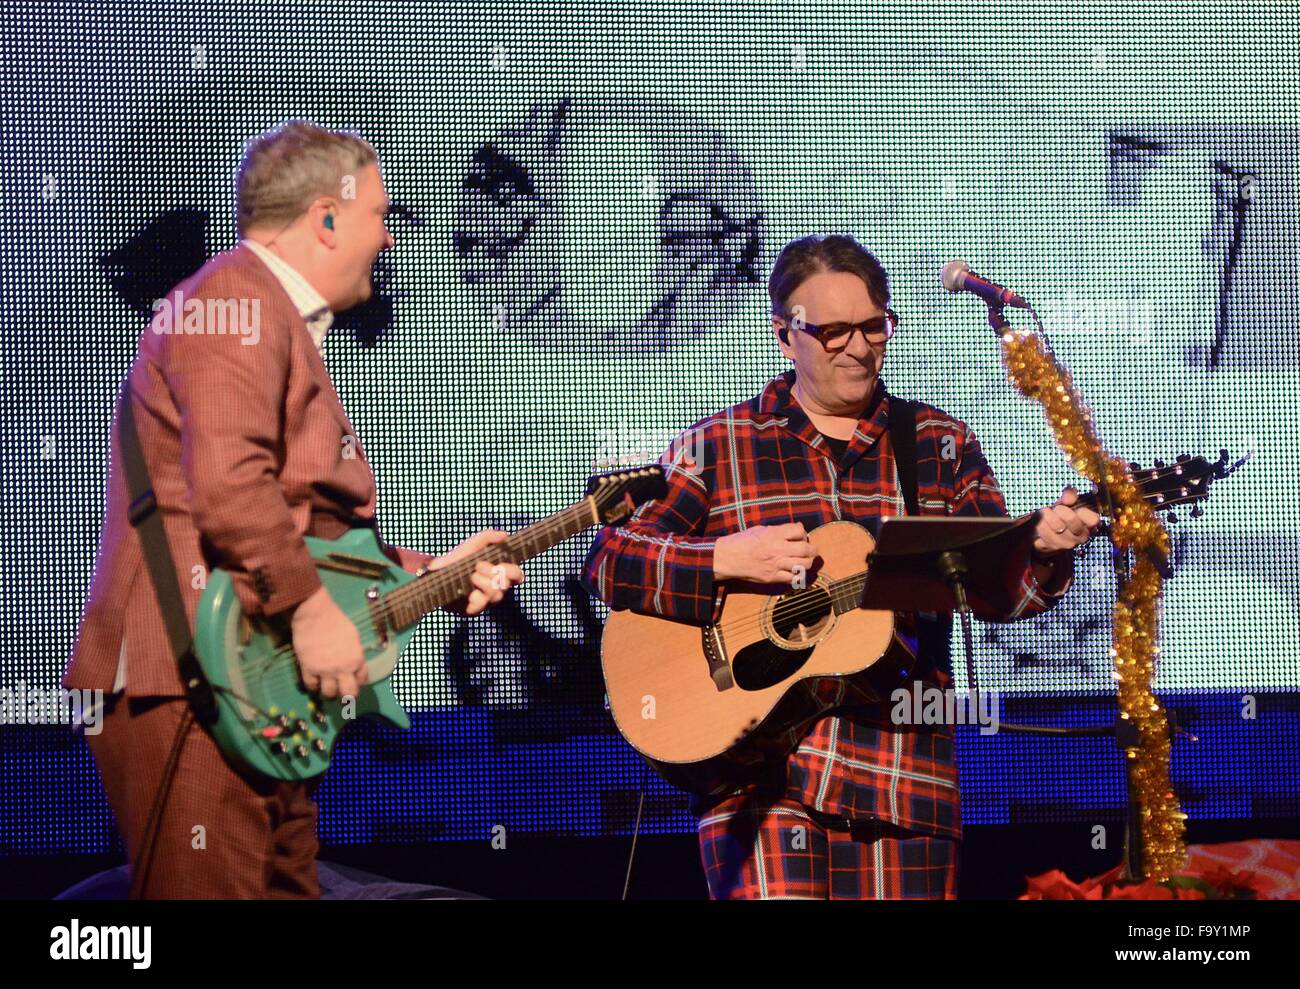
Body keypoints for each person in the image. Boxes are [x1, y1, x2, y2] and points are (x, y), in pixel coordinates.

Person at [63, 121, 524, 898]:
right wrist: (312, 617)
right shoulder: (232, 304)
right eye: (381, 213)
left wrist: (432, 573)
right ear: (327, 217)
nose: (389, 234)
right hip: (194, 684)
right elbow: (231, 482)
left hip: (252, 689)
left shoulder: (263, 316)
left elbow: (301, 531)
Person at [581, 234, 1101, 899]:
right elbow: (612, 560)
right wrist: (721, 558)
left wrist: (1047, 546)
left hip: (903, 780)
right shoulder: (719, 446)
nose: (859, 346)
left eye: (875, 326)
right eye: (833, 332)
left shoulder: (939, 444)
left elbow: (1000, 590)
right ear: (784, 334)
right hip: (761, 779)